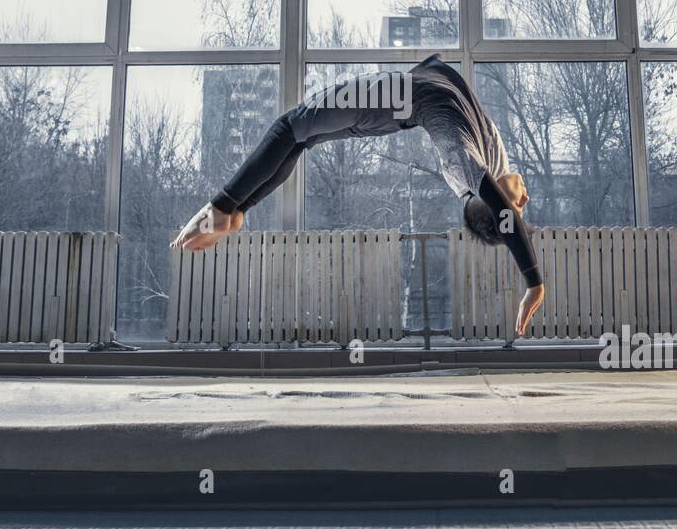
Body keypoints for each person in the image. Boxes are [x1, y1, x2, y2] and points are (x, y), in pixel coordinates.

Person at [173, 54, 545, 335]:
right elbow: (503, 213)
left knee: (289, 127)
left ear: (490, 197)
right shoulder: (495, 159)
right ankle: (238, 211)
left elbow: (502, 214)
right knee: (302, 138)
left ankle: (223, 207)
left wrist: (533, 280)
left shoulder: (462, 161)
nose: (523, 200)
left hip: (392, 98)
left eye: (515, 204)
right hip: (393, 103)